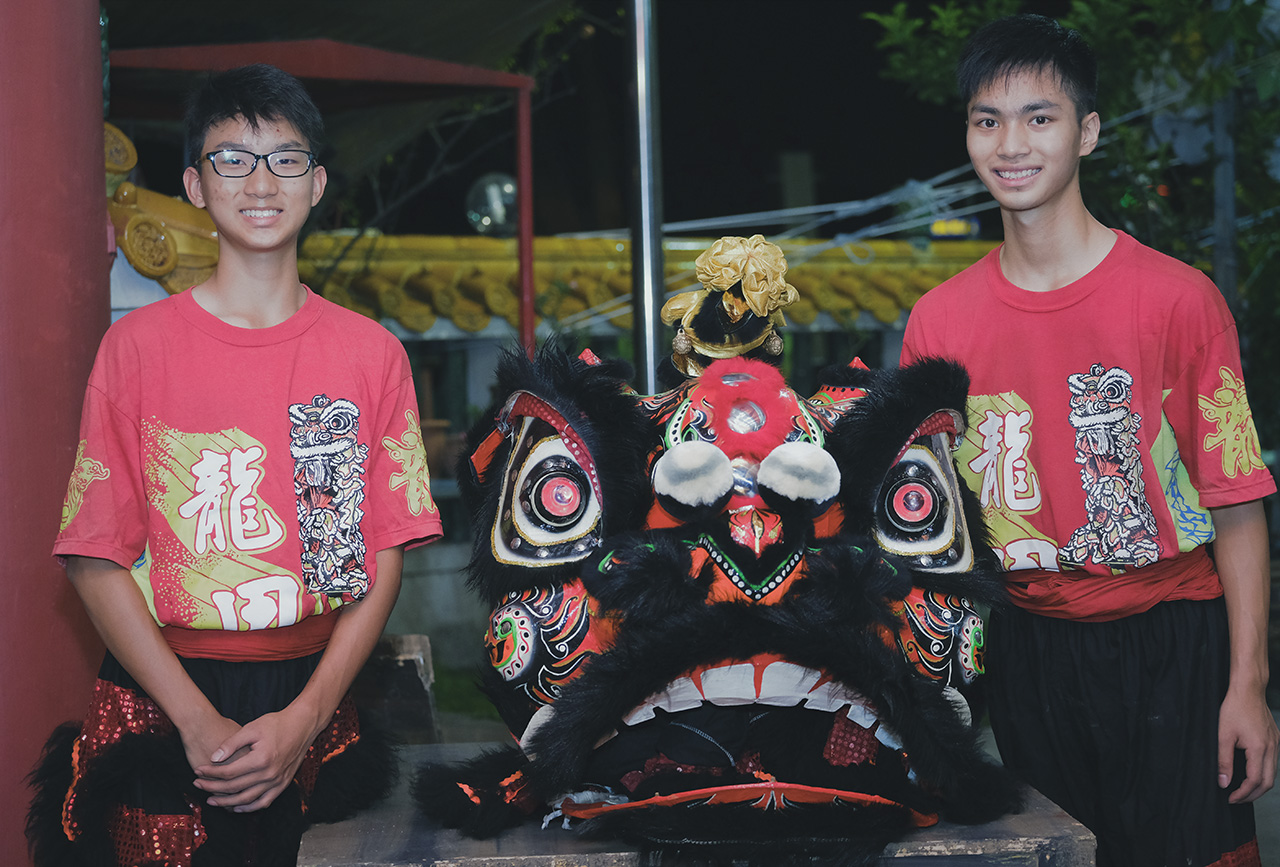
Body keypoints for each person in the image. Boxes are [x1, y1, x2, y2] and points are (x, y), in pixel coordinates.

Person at [28, 64, 442, 866]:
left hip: (312, 693)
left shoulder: (369, 355)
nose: (260, 181)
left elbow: (378, 555)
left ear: (317, 183)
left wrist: (308, 717)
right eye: (231, 158)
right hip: (162, 690)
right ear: (193, 183)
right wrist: (193, 719)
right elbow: (92, 555)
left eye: (285, 159)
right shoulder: (137, 349)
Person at [900, 14, 1278, 867]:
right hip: (1027, 648)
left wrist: (1248, 684)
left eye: (1040, 117)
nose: (1011, 143)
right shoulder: (938, 322)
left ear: (1088, 132)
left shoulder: (1178, 301)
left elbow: (1239, 503)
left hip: (1172, 635)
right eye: (986, 119)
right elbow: (931, 528)